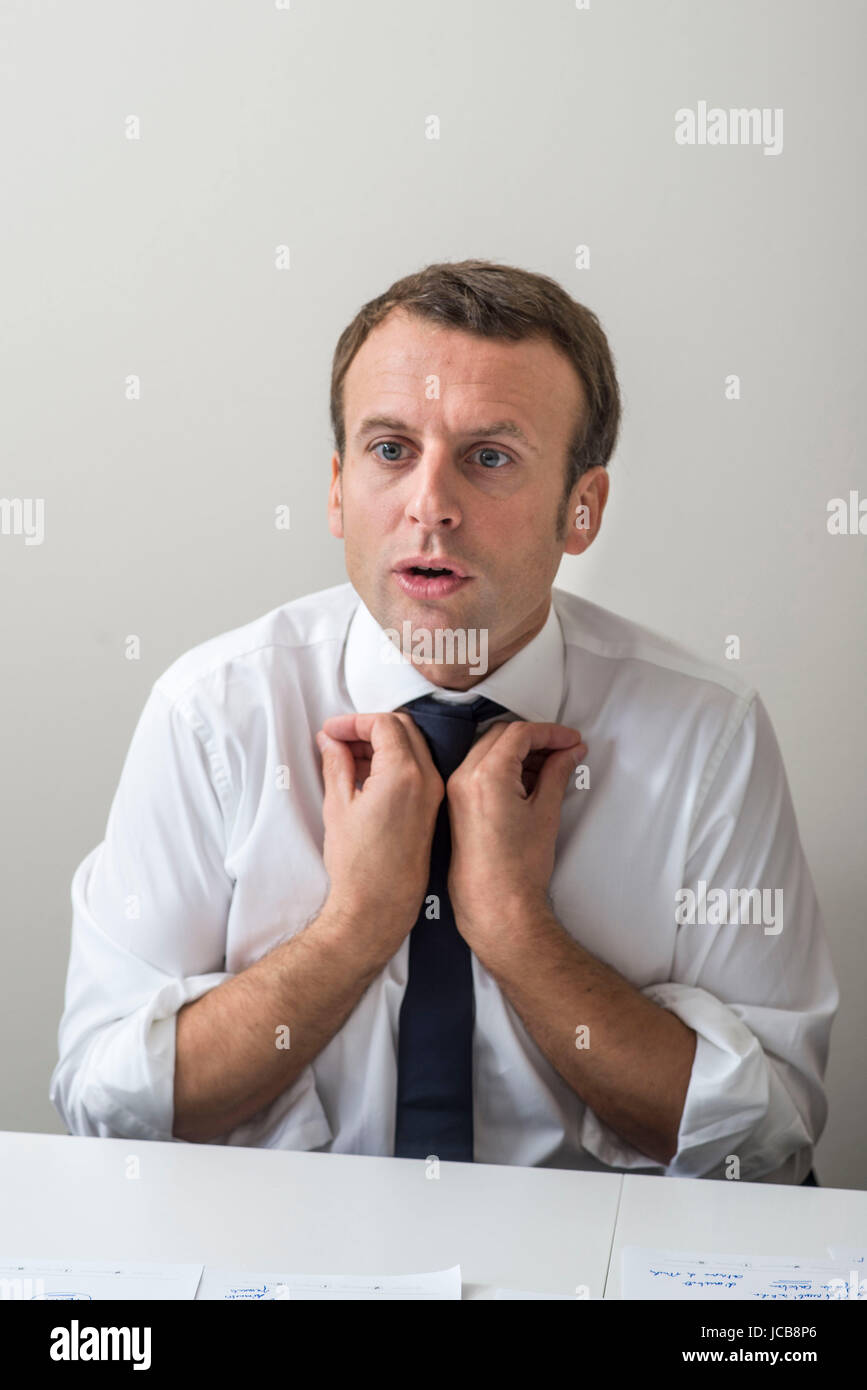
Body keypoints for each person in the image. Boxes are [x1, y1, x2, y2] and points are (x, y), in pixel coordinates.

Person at [50, 259, 838, 1182]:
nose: (429, 505)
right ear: (337, 489)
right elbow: (108, 1107)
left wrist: (514, 929)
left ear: (581, 510)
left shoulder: (707, 734)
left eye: (489, 457)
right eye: (390, 450)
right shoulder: (210, 715)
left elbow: (767, 1143)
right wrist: (355, 926)